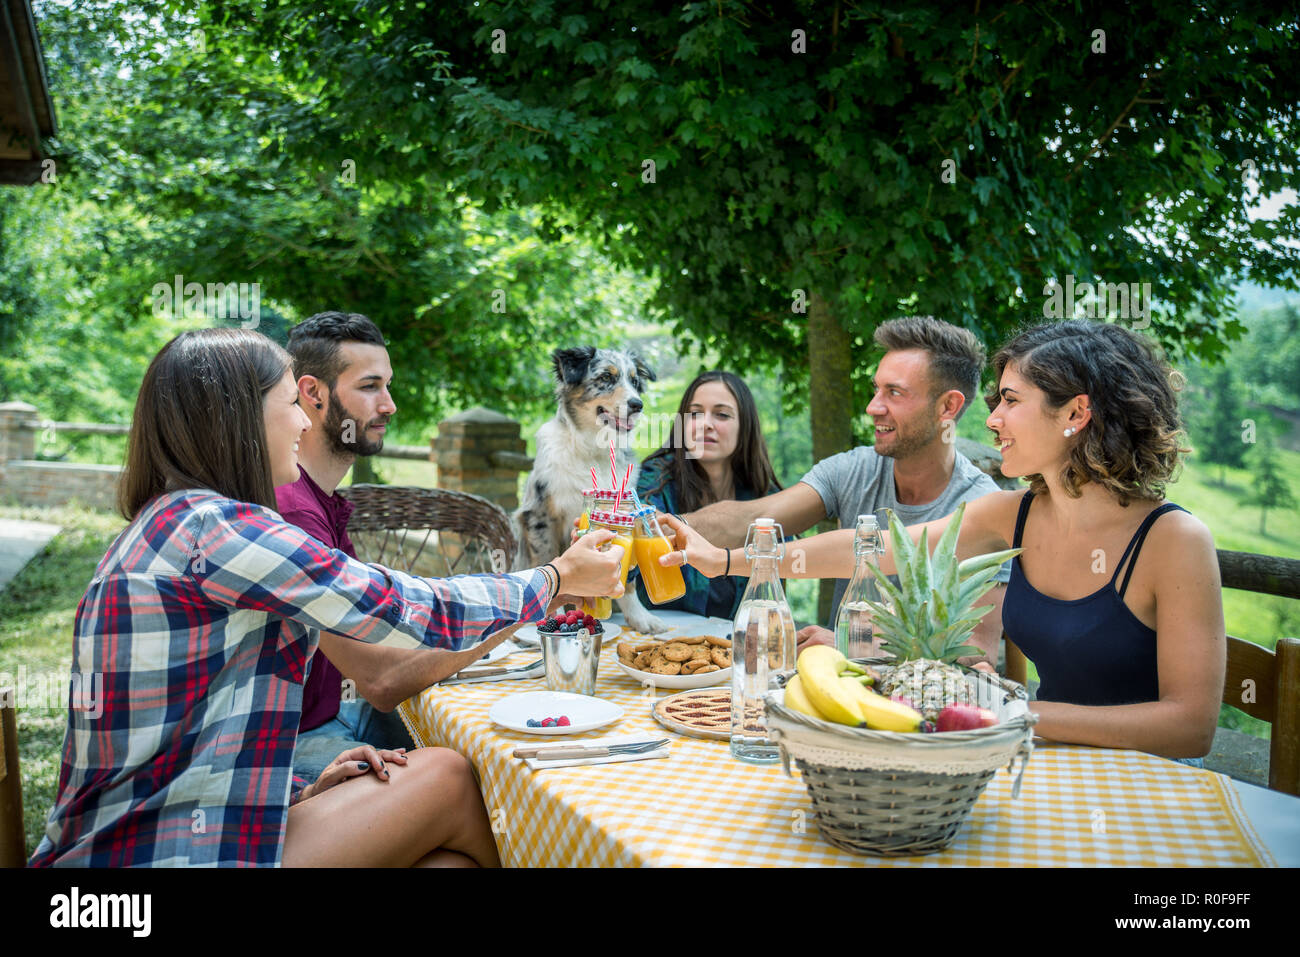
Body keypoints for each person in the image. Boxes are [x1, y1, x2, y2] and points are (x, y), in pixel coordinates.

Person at [29, 328, 625, 867]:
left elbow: (192, 740)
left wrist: (301, 794)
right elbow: (405, 608)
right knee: (448, 774)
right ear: (237, 419)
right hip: (150, 857)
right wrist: (555, 577)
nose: (303, 423)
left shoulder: (176, 521)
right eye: (291, 404)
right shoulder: (218, 533)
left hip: (177, 827)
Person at [660, 320, 1225, 761]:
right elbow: (875, 546)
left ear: (1075, 413)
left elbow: (1190, 726)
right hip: (1044, 762)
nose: (993, 420)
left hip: (1145, 786)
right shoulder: (1012, 514)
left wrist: (1018, 714)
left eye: (1011, 401)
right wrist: (731, 560)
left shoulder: (1173, 540)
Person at [677, 317, 1008, 664]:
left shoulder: (982, 506)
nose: (873, 407)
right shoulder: (853, 469)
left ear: (948, 407)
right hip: (832, 693)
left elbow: (973, 653)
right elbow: (752, 520)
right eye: (876, 389)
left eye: (894, 393)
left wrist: (848, 645)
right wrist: (659, 525)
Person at [277, 311, 428, 783]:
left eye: (388, 385)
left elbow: (373, 622)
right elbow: (382, 682)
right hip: (296, 740)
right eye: (370, 387)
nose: (389, 405)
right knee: (459, 776)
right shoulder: (293, 510)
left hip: (342, 709)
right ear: (313, 392)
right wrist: (538, 594)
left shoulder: (319, 497)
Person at [635, 371, 782, 619]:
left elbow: (775, 587)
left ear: (745, 426)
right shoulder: (653, 479)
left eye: (722, 414)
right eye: (694, 414)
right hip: (655, 643)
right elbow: (640, 531)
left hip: (732, 648)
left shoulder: (762, 494)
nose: (706, 424)